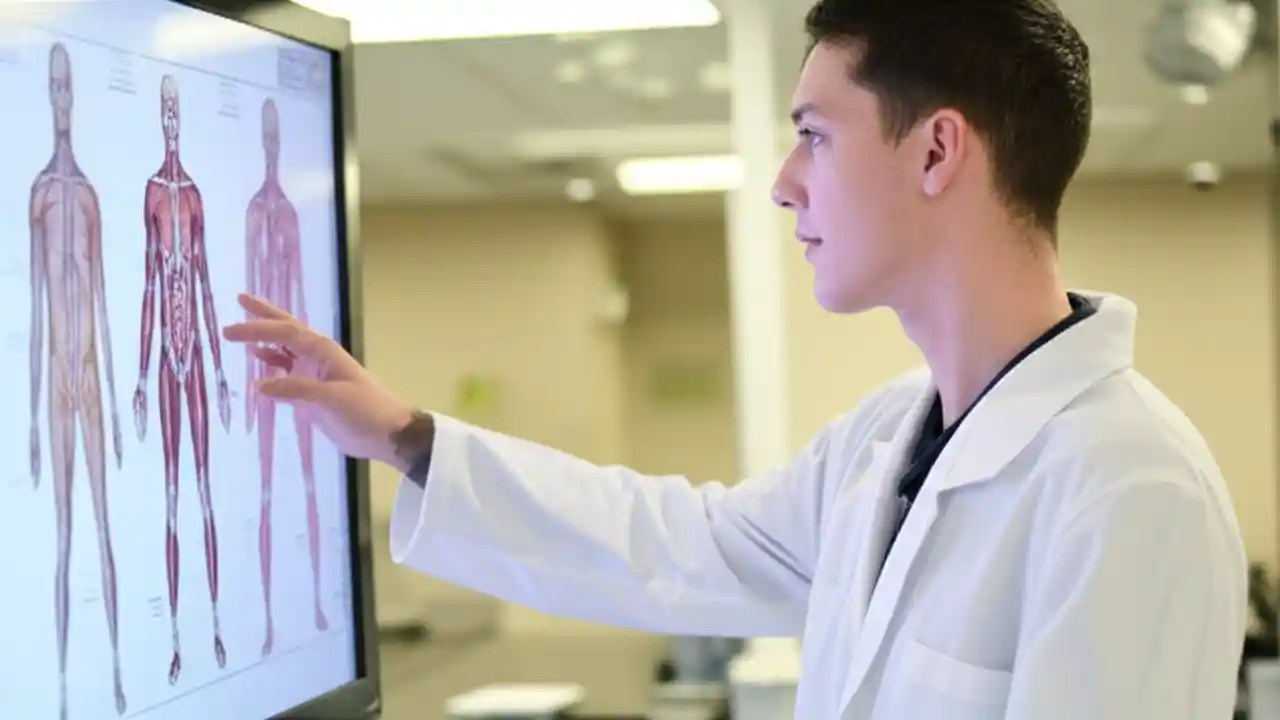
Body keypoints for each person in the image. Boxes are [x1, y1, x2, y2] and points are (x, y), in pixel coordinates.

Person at [222, 0, 1248, 717]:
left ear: (936, 151)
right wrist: (405, 437)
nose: (783, 183)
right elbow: (682, 545)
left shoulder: (1125, 485)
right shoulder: (889, 439)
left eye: (812, 135)